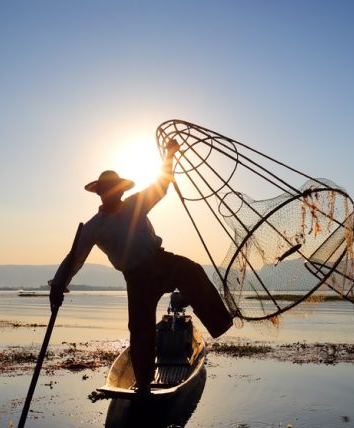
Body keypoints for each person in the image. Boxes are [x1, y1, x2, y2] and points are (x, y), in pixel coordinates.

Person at [49, 139, 232, 391]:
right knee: (140, 329)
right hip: (136, 278)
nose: (113, 193)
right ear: (101, 193)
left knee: (191, 270)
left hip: (161, 262)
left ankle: (220, 322)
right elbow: (75, 258)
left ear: (121, 191)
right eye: (108, 190)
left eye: (116, 189)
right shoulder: (94, 227)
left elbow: (161, 186)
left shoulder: (135, 203)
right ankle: (143, 384)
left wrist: (169, 155)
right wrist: (58, 286)